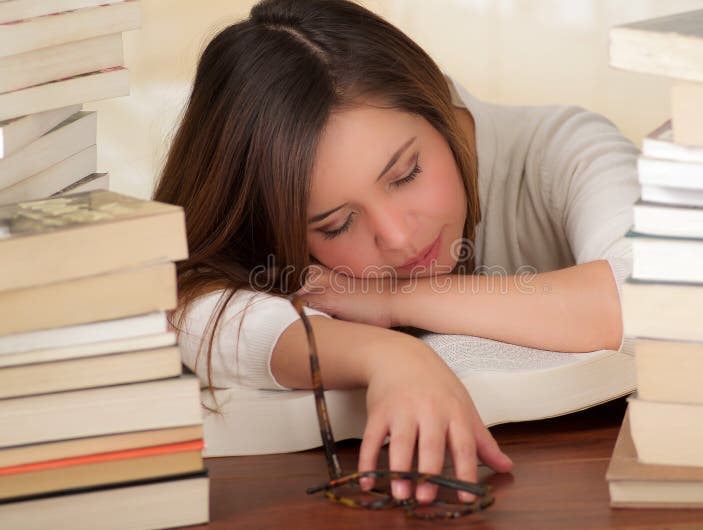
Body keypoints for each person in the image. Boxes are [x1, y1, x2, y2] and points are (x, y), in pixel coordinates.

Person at [153, 0, 639, 505]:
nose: (398, 237)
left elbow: (650, 297)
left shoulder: (567, 151)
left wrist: (393, 299)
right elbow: (193, 303)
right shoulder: (280, 238)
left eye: (406, 174)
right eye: (337, 224)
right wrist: (387, 355)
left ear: (437, 108)